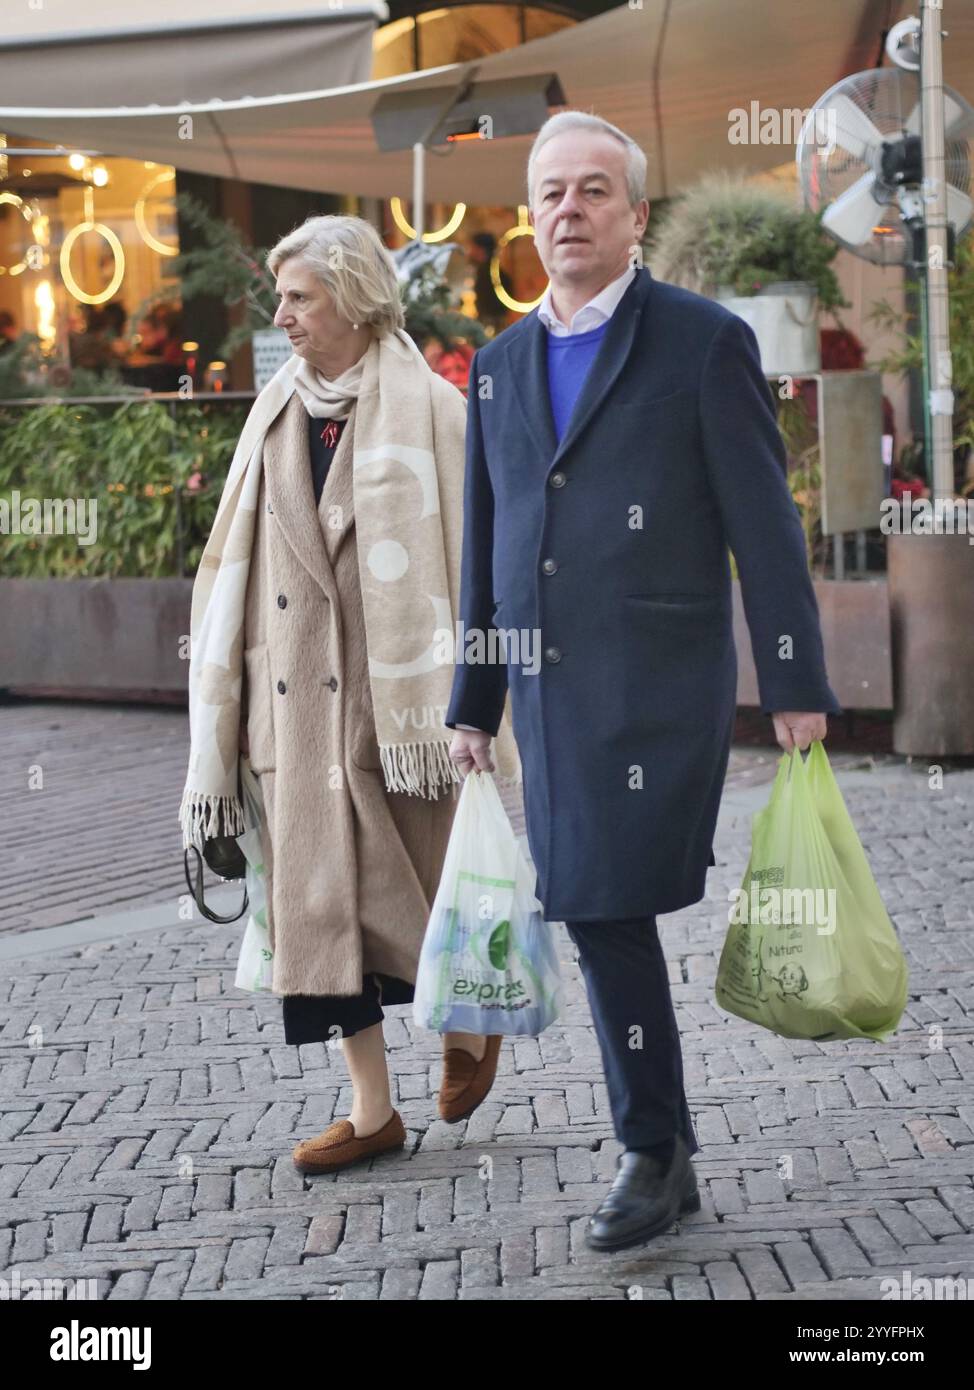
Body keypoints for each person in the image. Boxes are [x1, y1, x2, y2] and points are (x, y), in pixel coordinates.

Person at [445, 111, 842, 1251]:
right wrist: (473, 700)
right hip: (545, 689)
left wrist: (792, 680)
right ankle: (658, 1149)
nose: (565, 212)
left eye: (589, 193)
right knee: (595, 903)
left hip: (654, 685)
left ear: (633, 214)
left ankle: (651, 1149)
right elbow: (488, 538)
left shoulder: (701, 341)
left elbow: (762, 527)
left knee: (597, 899)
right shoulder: (499, 363)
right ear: (529, 216)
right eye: (548, 194)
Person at [178, 215, 519, 1175]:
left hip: (400, 707)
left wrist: (476, 704)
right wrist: (229, 711)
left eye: (299, 298)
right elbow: (232, 565)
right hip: (293, 700)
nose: (282, 316)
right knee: (318, 911)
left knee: (422, 885)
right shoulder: (275, 410)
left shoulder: (439, 413)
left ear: (355, 298)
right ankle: (372, 1110)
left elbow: (481, 567)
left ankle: (467, 1020)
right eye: (281, 298)